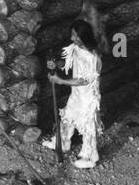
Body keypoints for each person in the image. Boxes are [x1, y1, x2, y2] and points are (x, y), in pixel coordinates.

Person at [42, 19, 103, 169]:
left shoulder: (93, 57)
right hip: (76, 94)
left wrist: (60, 81)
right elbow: (67, 63)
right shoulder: (75, 48)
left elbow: (84, 80)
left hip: (88, 97)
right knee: (68, 116)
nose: (72, 38)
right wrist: (56, 64)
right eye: (72, 35)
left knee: (87, 125)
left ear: (85, 36)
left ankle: (89, 156)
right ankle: (63, 142)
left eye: (76, 36)